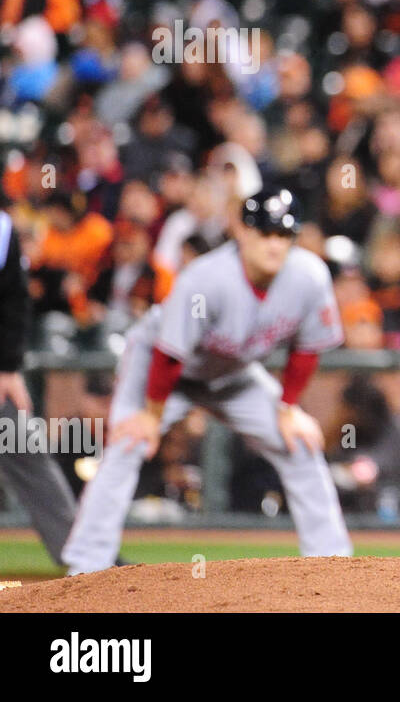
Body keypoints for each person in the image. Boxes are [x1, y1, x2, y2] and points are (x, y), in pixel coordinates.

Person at [61, 188, 352, 573]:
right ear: (242, 232)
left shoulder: (308, 277)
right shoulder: (206, 279)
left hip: (234, 372)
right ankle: (85, 566)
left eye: (283, 234)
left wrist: (288, 408)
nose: (274, 243)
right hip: (164, 368)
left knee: (300, 443)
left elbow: (307, 349)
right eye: (265, 232)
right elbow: (169, 356)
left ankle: (332, 562)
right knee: (127, 443)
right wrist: (150, 416)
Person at [0, 203, 81, 566]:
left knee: (23, 446)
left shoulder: (1, 228)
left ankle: (85, 561)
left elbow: (14, 299)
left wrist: (7, 368)